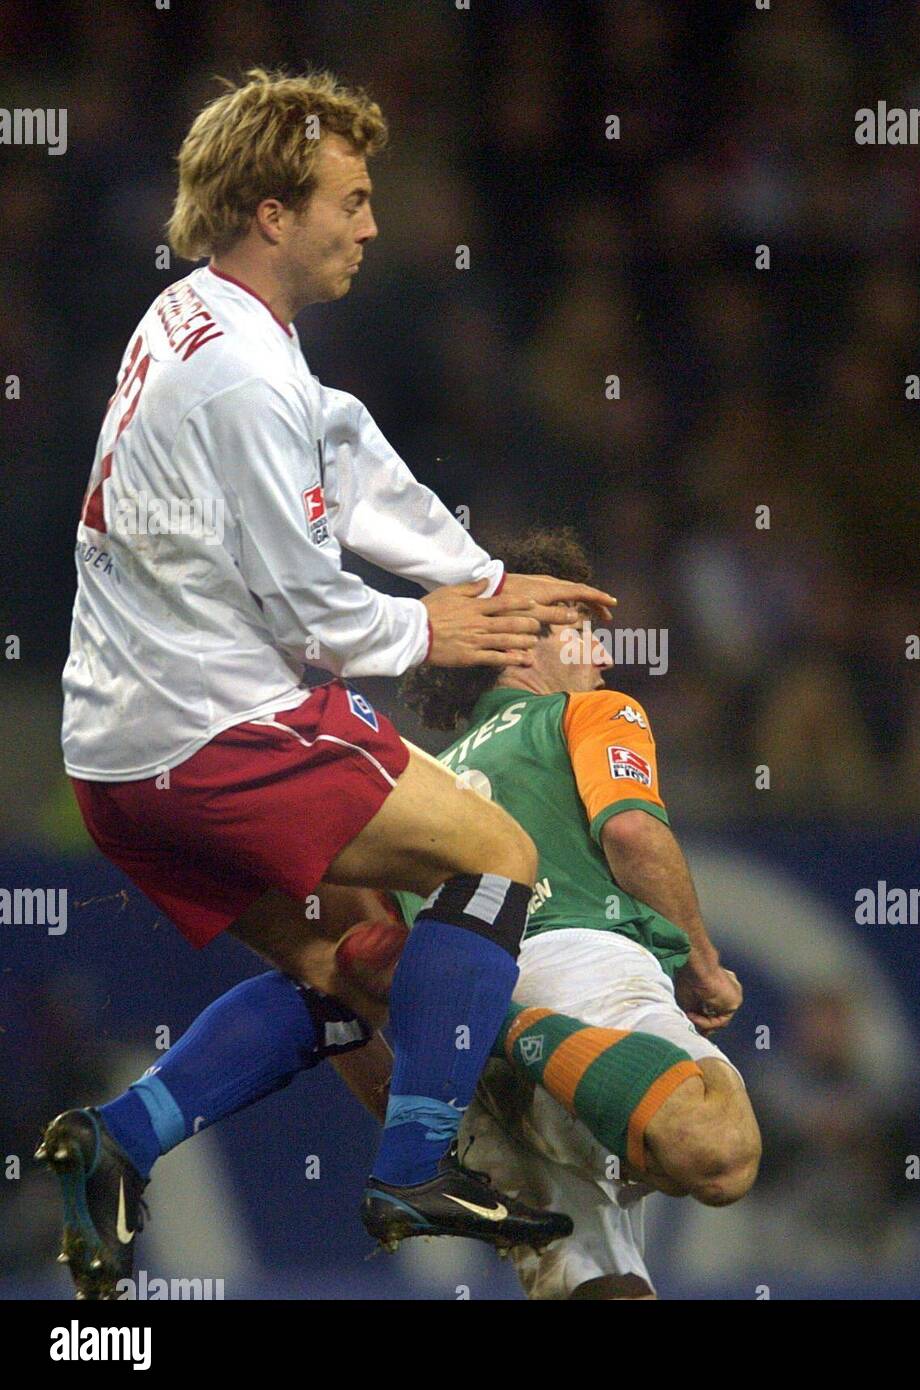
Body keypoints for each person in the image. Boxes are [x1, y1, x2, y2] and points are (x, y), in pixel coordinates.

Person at [42, 68, 614, 1299]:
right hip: (222, 736)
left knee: (344, 962)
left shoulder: (199, 317)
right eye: (348, 201)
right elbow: (309, 604)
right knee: (499, 861)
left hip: (113, 761)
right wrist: (441, 630)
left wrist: (485, 577)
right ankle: (417, 1164)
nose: (368, 224)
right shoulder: (242, 378)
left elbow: (338, 445)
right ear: (269, 210)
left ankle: (120, 1137)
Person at [369, 526, 761, 1298]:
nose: (605, 659)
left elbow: (356, 974)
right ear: (523, 639)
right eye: (586, 635)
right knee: (721, 1151)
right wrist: (702, 963)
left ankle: (507, 1039)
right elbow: (631, 832)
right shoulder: (588, 714)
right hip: (582, 975)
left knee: (602, 1285)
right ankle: (519, 1037)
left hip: (458, 1047)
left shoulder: (418, 787)